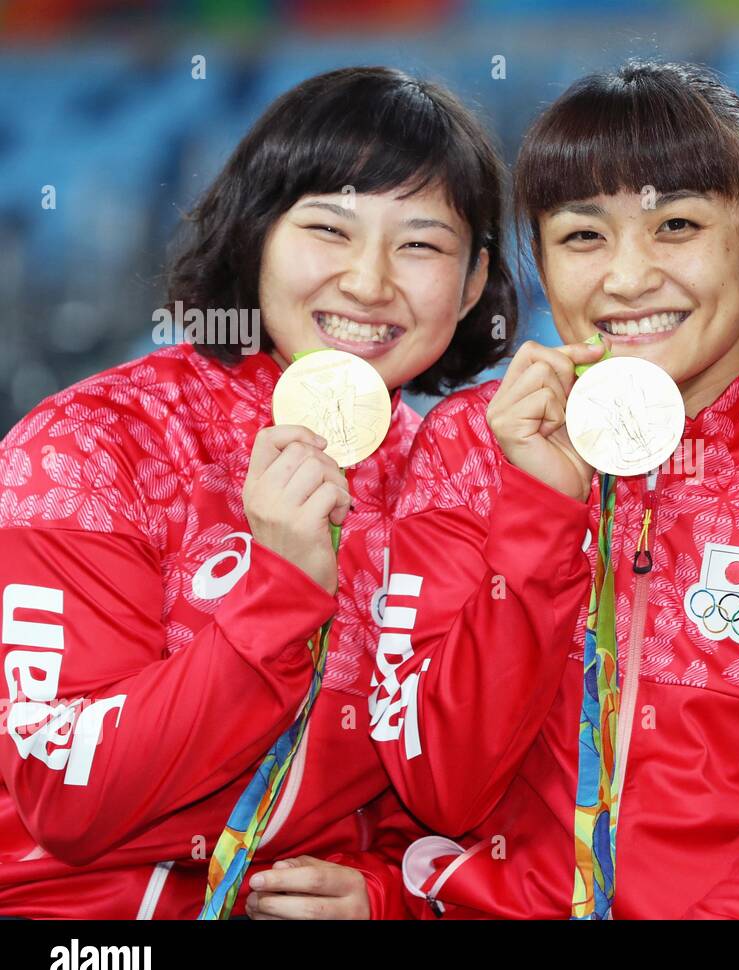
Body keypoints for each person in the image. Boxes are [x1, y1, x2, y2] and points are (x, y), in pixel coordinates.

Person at [363, 61, 739, 919]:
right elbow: (439, 787)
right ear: (539, 259)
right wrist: (539, 514)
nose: (626, 277)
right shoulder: (473, 445)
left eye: (676, 225)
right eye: (584, 236)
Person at [0, 66, 515, 919]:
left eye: (420, 243)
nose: (369, 281)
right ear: (255, 236)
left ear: (470, 284)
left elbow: (480, 800)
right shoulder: (91, 445)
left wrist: (388, 894)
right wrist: (279, 592)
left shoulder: (466, 482)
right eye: (328, 229)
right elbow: (67, 798)